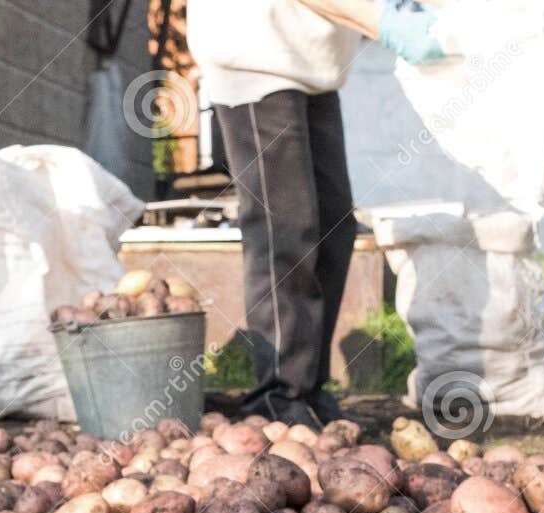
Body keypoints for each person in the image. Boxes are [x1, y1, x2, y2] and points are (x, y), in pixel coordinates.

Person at [187, 0, 452, 427]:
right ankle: (277, 394)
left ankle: (307, 388)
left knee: (333, 229)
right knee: (285, 227)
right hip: (254, 57)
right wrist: (381, 20)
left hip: (310, 69)